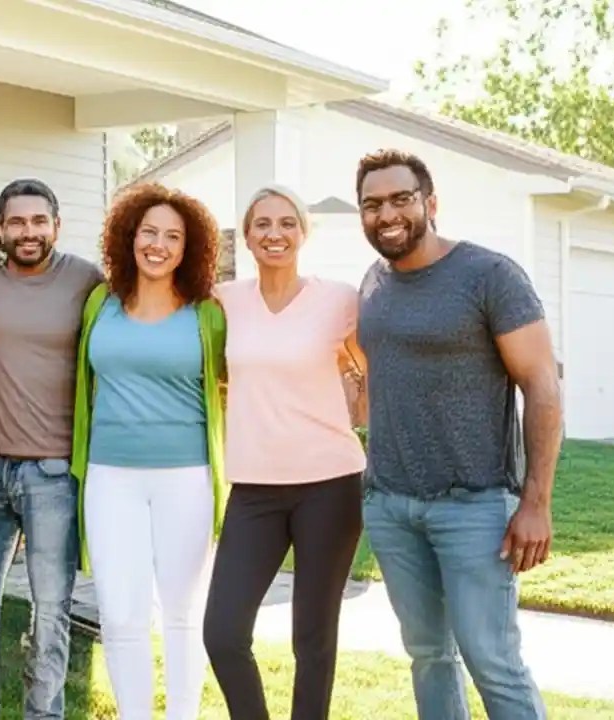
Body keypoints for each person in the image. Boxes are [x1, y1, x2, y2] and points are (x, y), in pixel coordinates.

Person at [355, 148, 562, 720]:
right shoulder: (373, 283)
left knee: (491, 658)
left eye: (401, 198)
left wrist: (535, 502)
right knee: (427, 656)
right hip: (391, 506)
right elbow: (378, 375)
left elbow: (542, 386)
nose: (387, 214)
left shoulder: (488, 276)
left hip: (473, 506)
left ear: (430, 203)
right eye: (372, 204)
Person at [202, 185, 368, 720]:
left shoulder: (340, 299)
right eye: (262, 224)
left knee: (313, 640)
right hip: (253, 490)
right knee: (223, 632)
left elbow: (375, 371)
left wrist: (357, 398)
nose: (275, 234)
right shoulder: (225, 300)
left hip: (331, 484)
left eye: (287, 223)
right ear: (246, 236)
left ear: (303, 232)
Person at [69, 182, 226, 720]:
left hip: (187, 475)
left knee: (183, 612)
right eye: (149, 232)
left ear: (190, 248)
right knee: (120, 613)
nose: (158, 245)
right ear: (129, 236)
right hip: (110, 476)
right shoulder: (99, 304)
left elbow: (236, 384)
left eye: (173, 236)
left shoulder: (207, 313)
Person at [0, 178, 104, 720]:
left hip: (53, 473)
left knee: (50, 610)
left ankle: (42, 713)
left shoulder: (86, 280)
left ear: (56, 224)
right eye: (16, 222)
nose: (28, 232)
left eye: (38, 221)